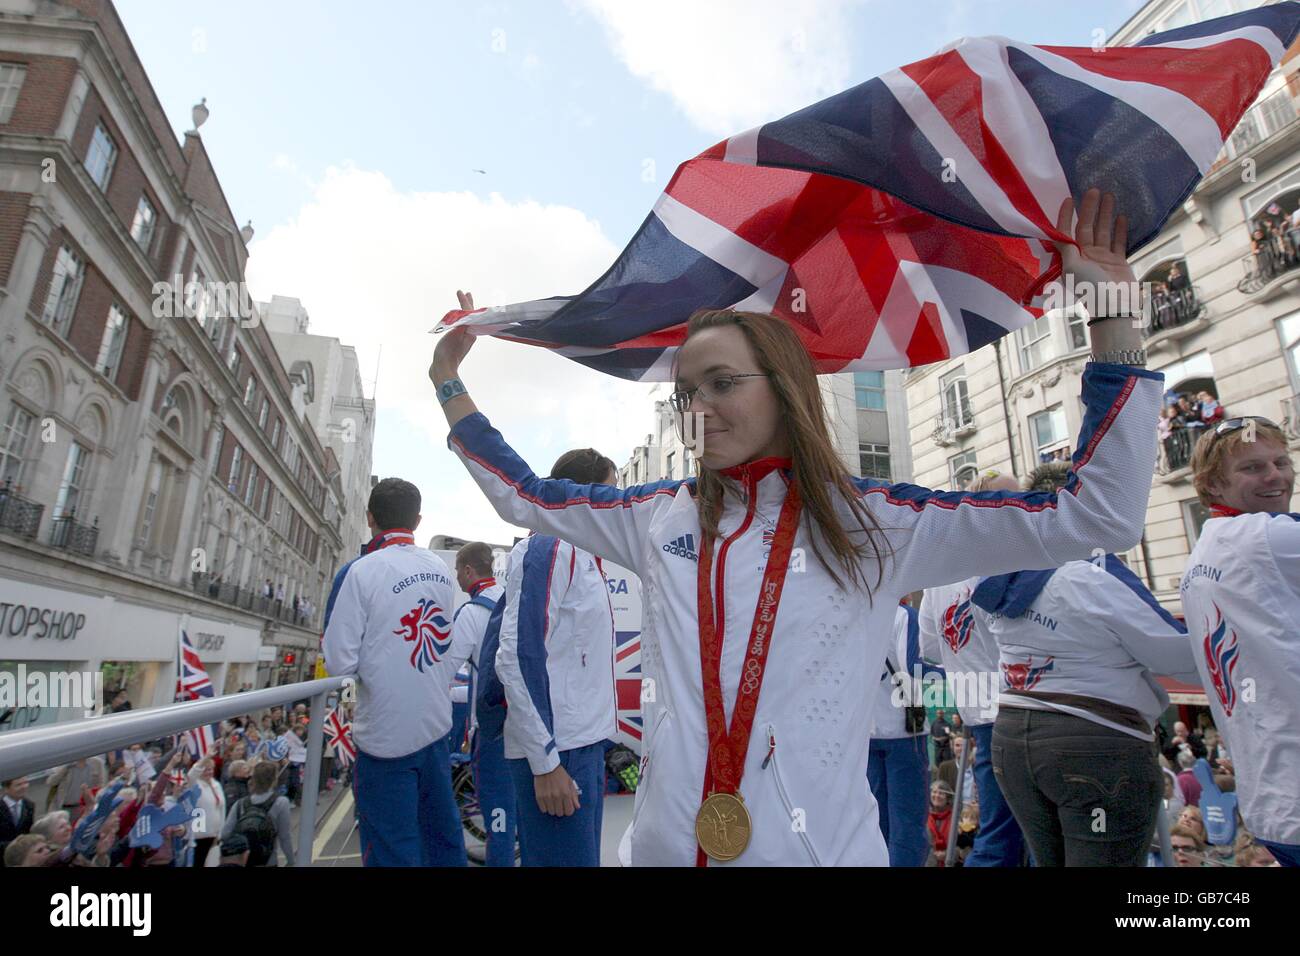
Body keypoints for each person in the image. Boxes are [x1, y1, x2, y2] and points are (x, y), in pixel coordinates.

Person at [433, 189, 1160, 865]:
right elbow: (522, 494)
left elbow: (1095, 511)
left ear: (784, 389)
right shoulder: (656, 516)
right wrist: (449, 381)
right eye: (687, 392)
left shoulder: (879, 522)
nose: (700, 409)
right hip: (664, 847)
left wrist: (1110, 318)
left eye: (722, 383)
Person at [975, 460, 1199, 867]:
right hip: (1094, 743)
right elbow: (1178, 657)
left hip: (1014, 738)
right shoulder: (1092, 572)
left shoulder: (1000, 577)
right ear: (1083, 509)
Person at [322, 477, 468, 866]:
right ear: (417, 521)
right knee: (442, 840)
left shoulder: (359, 572)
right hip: (435, 729)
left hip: (385, 739)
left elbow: (338, 663)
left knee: (391, 849)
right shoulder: (440, 569)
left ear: (370, 518)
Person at [1180, 415, 1300, 867]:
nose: (1276, 476)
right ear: (1212, 485)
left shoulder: (1204, 554)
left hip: (1273, 799)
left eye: (1281, 461)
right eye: (1253, 468)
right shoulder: (1267, 537)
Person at [494, 449, 620, 867]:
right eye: (610, 493)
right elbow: (516, 655)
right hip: (558, 752)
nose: (617, 506)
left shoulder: (582, 553)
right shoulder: (550, 546)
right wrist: (545, 762)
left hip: (582, 746)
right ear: (582, 495)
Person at [919, 470, 1027, 867]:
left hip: (981, 709)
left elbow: (929, 646)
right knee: (1010, 829)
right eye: (1021, 498)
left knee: (1009, 826)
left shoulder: (940, 572)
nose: (1030, 505)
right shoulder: (1010, 560)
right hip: (1018, 707)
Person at [450, 541, 514, 867]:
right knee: (521, 818)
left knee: (498, 821)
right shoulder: (512, 599)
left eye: (459, 572)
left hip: (491, 732)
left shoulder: (472, 612)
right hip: (526, 726)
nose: (458, 580)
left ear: (468, 571)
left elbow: (444, 670)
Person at [867, 602, 940, 866]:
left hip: (866, 733)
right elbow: (915, 668)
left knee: (875, 824)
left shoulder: (857, 613)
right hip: (904, 733)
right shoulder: (903, 616)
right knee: (907, 827)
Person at [221, 761, 294, 867]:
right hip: (268, 860)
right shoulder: (281, 802)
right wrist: (291, 861)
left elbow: (225, 833)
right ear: (274, 779)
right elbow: (284, 837)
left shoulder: (240, 804)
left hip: (244, 860)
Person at [188, 756, 226, 867]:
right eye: (205, 769)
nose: (208, 772)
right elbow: (192, 774)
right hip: (199, 834)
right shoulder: (194, 784)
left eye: (210, 769)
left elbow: (222, 810)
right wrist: (205, 757)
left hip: (214, 834)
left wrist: (220, 833)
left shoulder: (216, 785)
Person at [1, 777, 35, 865]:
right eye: (18, 785)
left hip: (22, 857)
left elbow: (29, 831)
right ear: (6, 789)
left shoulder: (29, 805)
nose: (24, 787)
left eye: (25, 783)